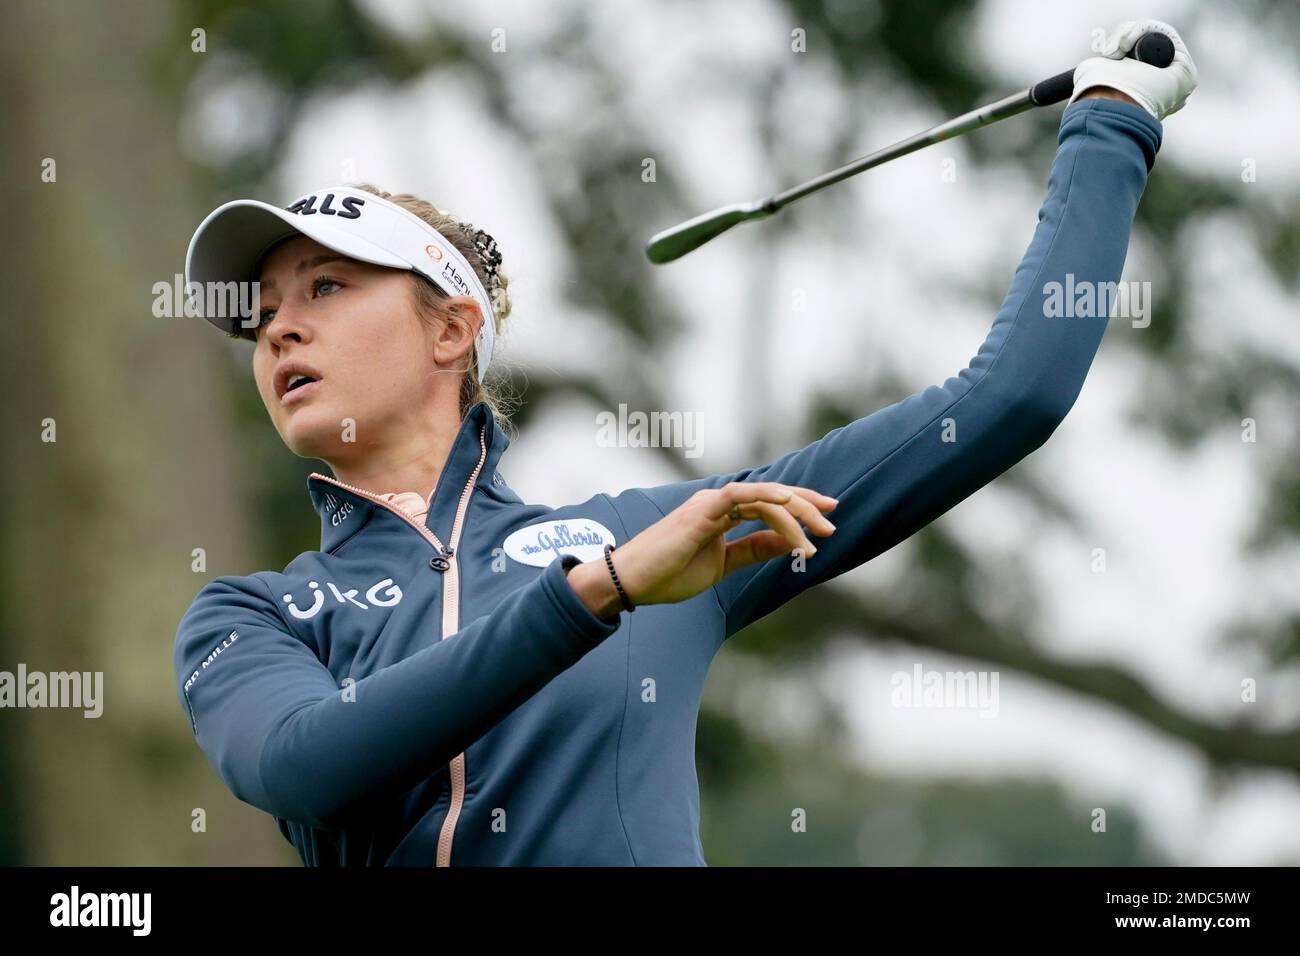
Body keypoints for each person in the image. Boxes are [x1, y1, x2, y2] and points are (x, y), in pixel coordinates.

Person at [172, 20, 1197, 866]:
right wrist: (599, 592)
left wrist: (1109, 126)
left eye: (325, 287)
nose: (280, 329)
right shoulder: (254, 614)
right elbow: (307, 765)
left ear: (451, 331)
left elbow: (1006, 401)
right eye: (262, 316)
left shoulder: (665, 535)